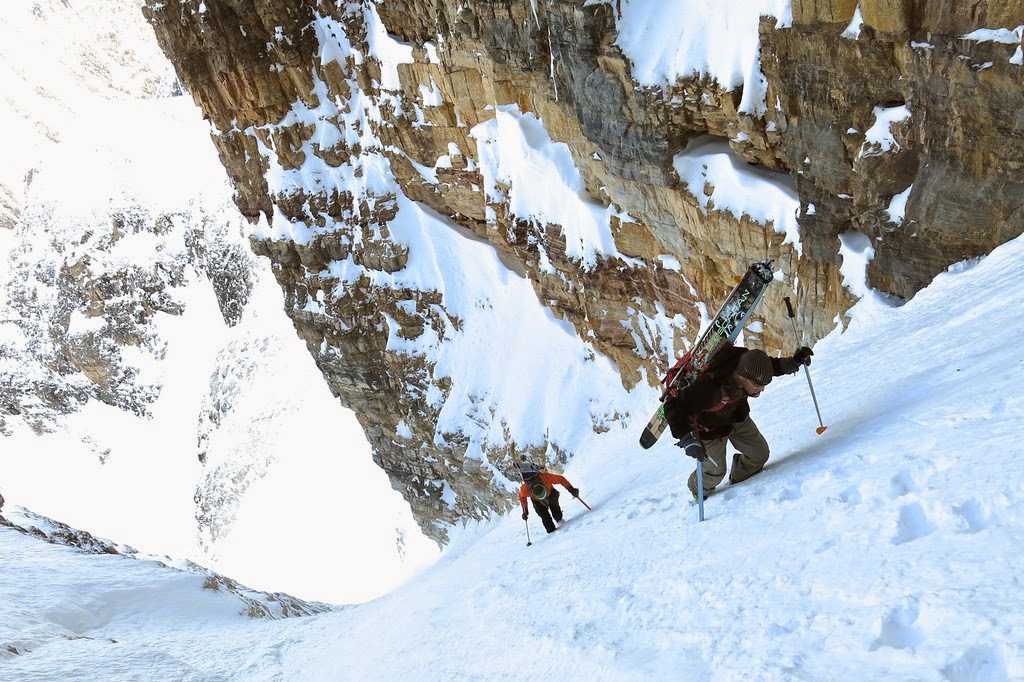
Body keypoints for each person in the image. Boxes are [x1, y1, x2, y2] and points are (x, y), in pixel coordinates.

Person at [663, 344, 813, 500]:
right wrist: (687, 438)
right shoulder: (709, 389)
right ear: (742, 377)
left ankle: (738, 478)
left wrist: (794, 362)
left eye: (763, 385)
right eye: (757, 385)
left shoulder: (749, 365)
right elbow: (673, 406)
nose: (762, 389)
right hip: (710, 430)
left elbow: (770, 367)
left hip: (736, 417)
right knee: (715, 472)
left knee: (759, 455)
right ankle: (697, 488)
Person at [515, 462, 580, 533]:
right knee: (547, 521)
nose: (543, 497)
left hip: (551, 493)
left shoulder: (546, 477)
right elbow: (522, 497)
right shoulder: (525, 490)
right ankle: (551, 533)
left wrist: (571, 489)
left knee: (556, 512)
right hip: (537, 501)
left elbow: (561, 479)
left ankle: (559, 519)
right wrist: (525, 511)